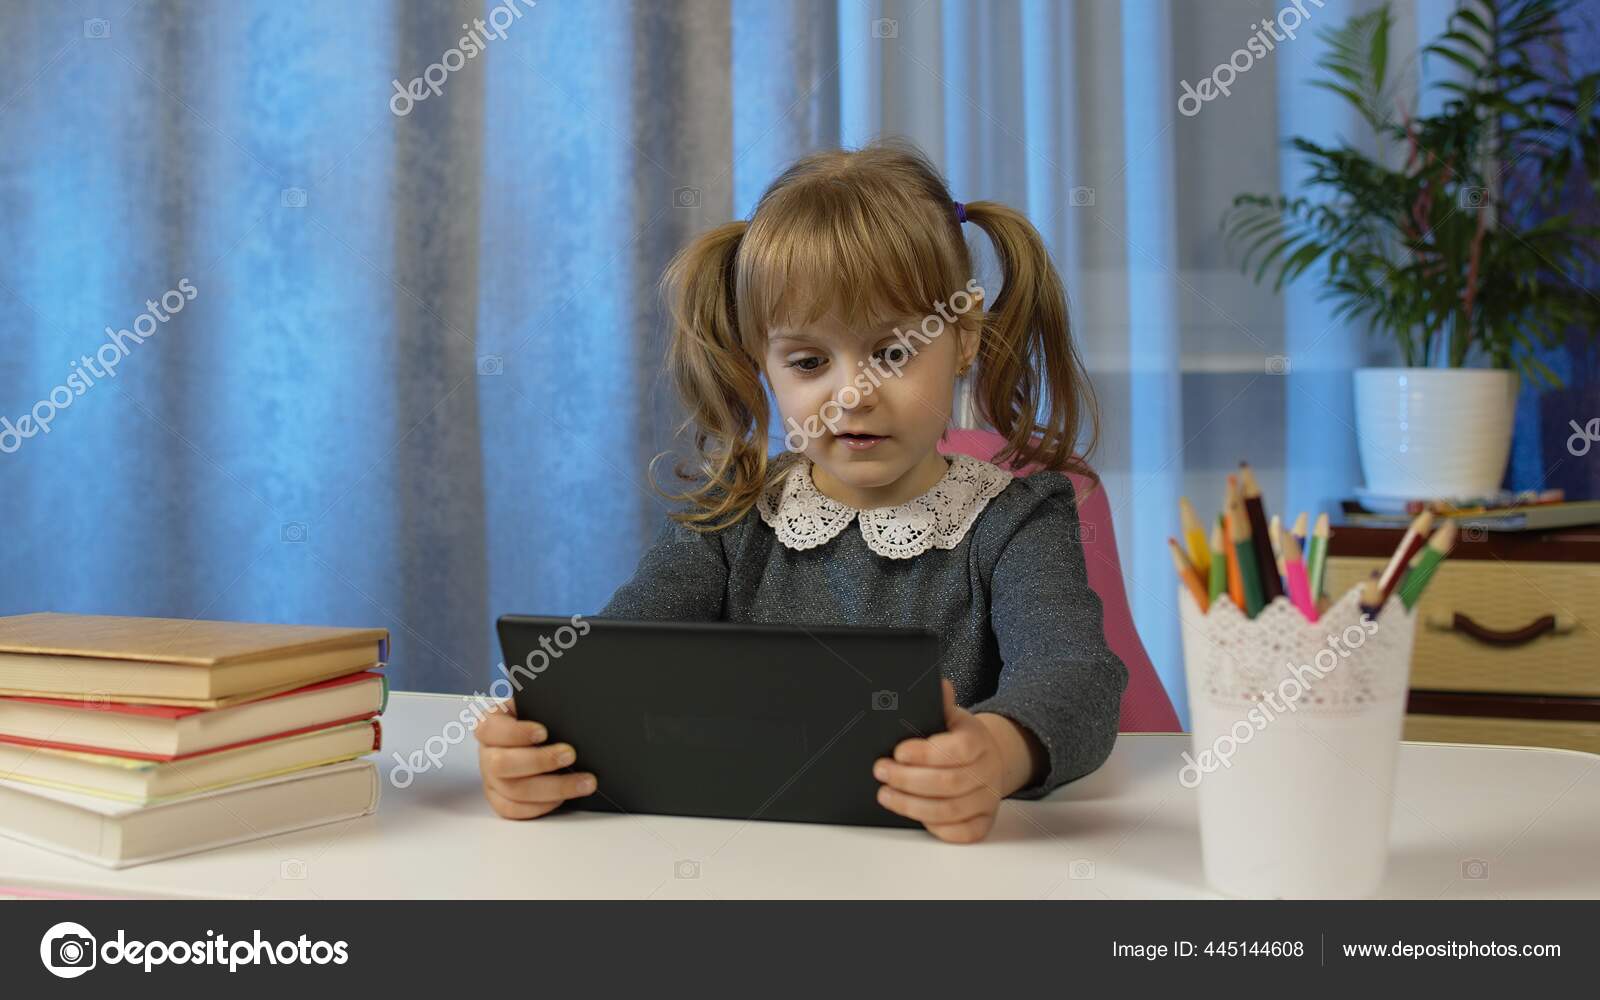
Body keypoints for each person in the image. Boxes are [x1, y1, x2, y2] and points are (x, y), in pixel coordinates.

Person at [477, 138, 1127, 843]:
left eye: (894, 353)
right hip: (749, 862)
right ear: (763, 360)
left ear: (963, 337)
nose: (852, 394)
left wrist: (997, 756)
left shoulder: (1019, 522)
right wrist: (538, 744)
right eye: (810, 361)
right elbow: (617, 659)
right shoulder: (729, 518)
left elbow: (1077, 678)